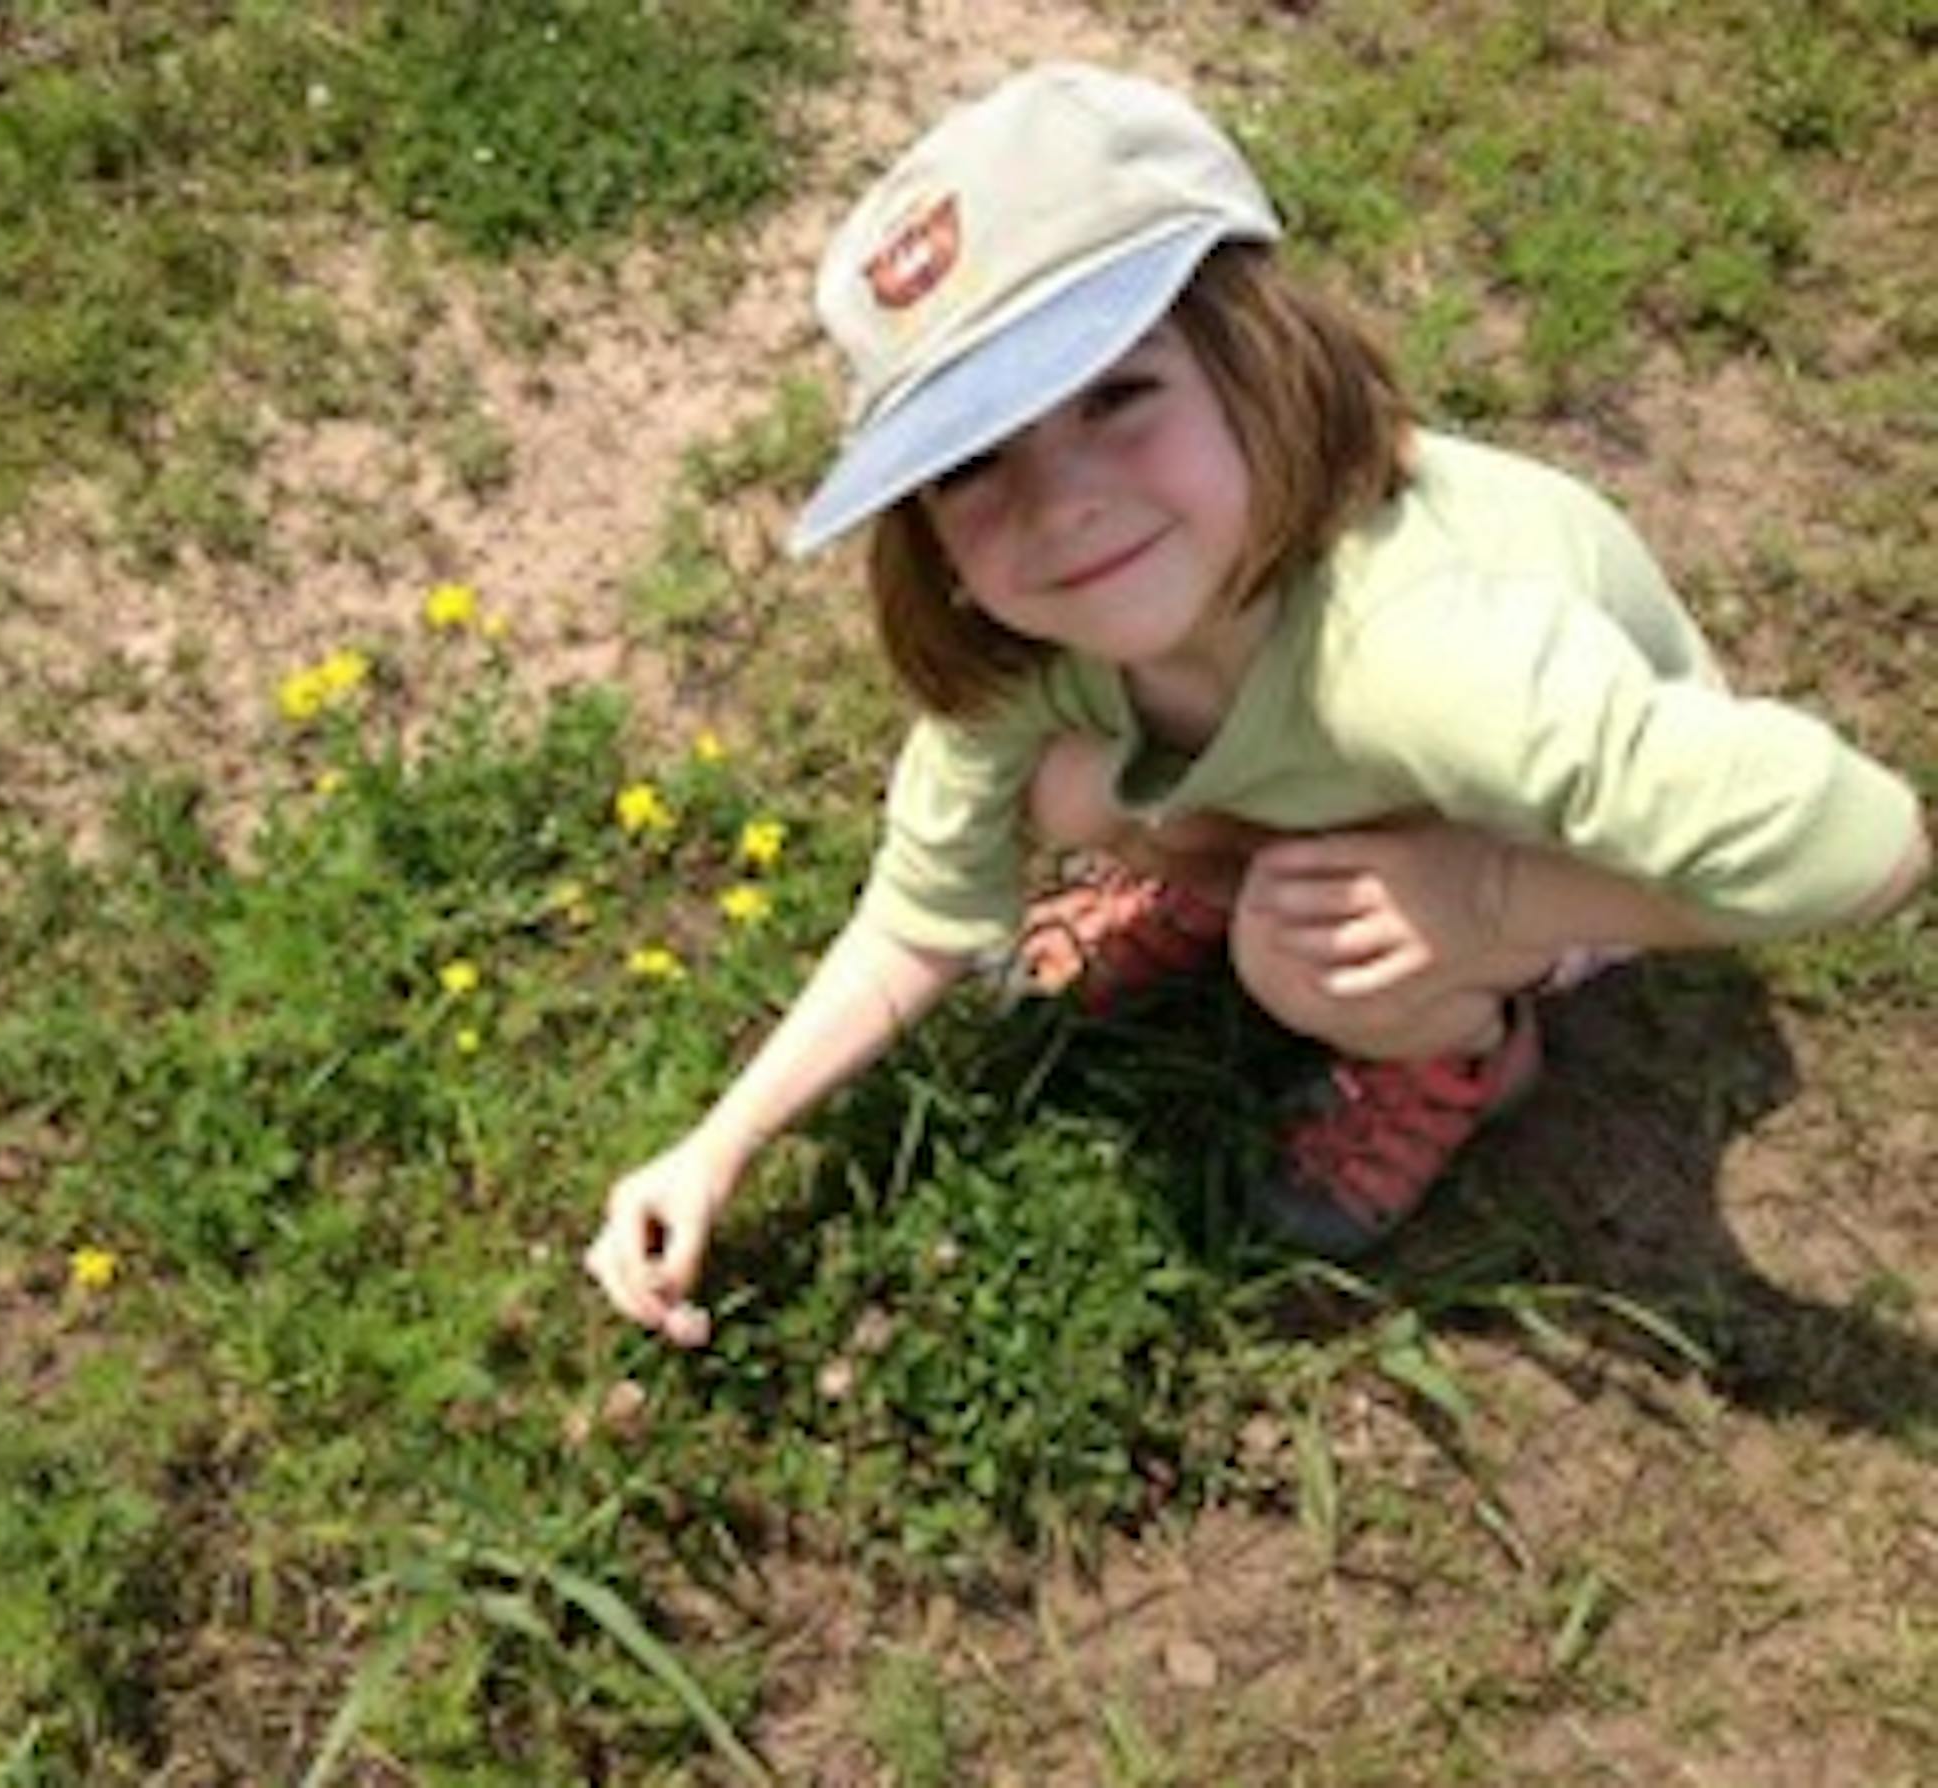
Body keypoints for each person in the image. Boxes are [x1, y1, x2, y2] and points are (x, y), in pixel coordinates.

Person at [586, 63, 1929, 1345]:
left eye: (1117, 393)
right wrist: (717, 1148)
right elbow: (921, 910)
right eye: (971, 460)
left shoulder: (1419, 653)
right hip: (1348, 766)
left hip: (1550, 830)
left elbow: (1868, 848)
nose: (1059, 507)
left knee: (1301, 956)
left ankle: (1459, 1046)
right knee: (1060, 784)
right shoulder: (1050, 634)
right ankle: (1241, 878)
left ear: (1260, 362)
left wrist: (1481, 901)